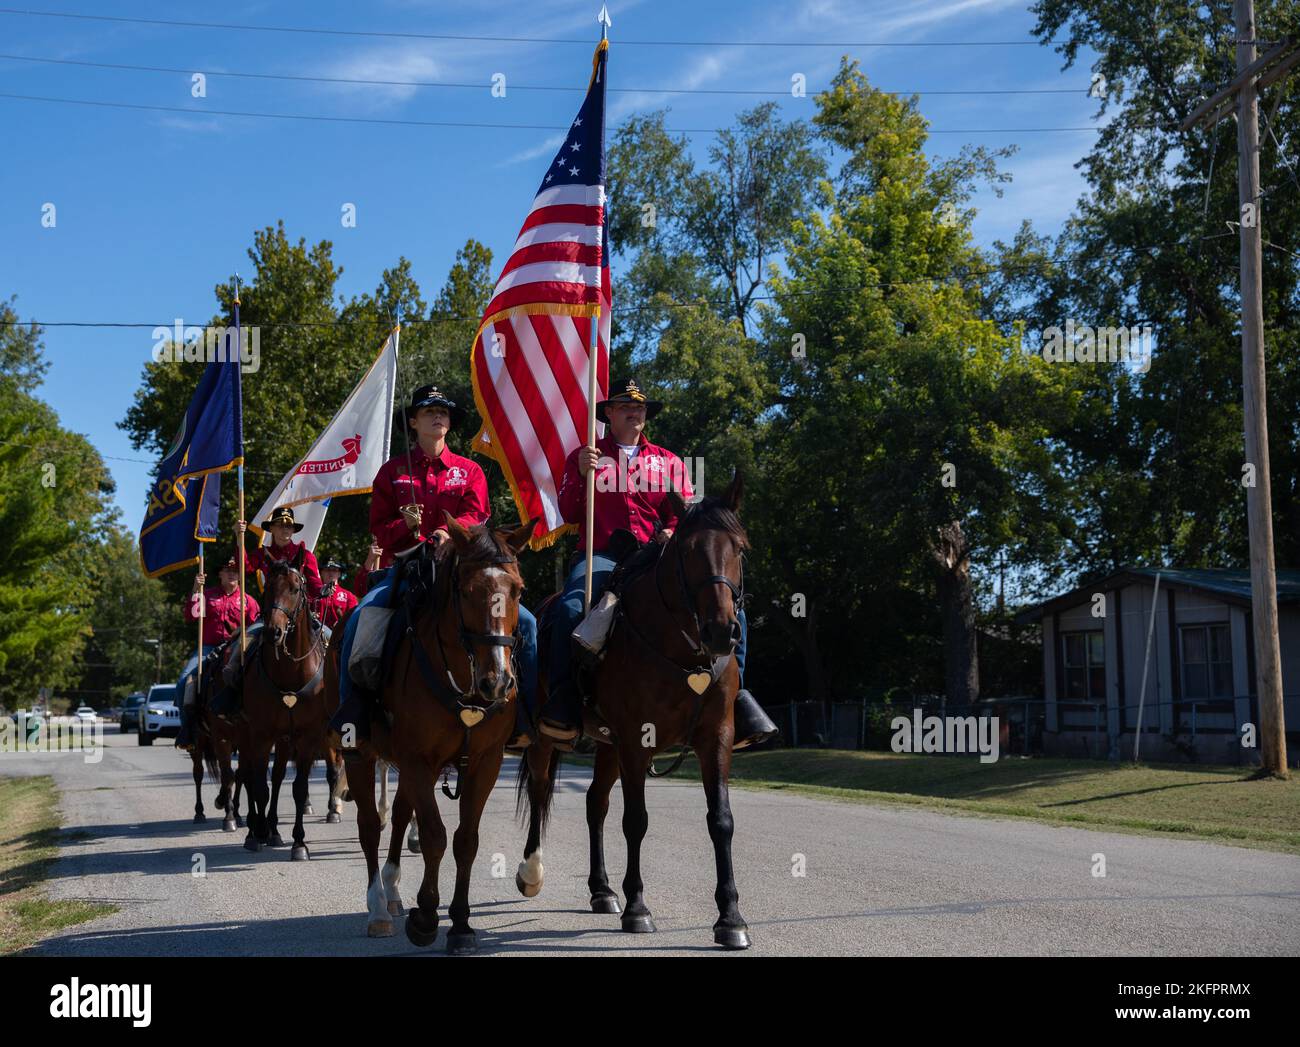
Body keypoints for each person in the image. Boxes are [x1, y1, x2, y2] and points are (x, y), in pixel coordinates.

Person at [547, 377, 777, 751]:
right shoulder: (586, 456)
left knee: (733, 610)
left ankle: (738, 700)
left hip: (657, 556)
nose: (634, 411)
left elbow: (686, 514)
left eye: (639, 407)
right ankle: (564, 701)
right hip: (603, 554)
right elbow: (570, 512)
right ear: (608, 413)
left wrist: (672, 532)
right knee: (571, 607)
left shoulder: (668, 461)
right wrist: (582, 474)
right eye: (624, 405)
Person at [329, 385, 539, 751]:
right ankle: (354, 714)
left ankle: (526, 715)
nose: (437, 416)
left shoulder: (469, 471)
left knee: (529, 623)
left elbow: (478, 516)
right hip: (407, 568)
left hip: (462, 569)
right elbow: (379, 527)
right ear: (414, 422)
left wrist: (447, 531)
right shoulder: (392, 472)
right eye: (428, 411)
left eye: (442, 411)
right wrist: (407, 528)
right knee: (362, 618)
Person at [210, 505, 322, 720]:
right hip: (269, 617)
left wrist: (324, 591)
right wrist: (239, 539)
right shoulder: (262, 554)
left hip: (301, 619)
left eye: (289, 526)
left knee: (334, 643)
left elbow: (315, 586)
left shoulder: (305, 555)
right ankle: (231, 697)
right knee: (238, 651)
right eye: (280, 526)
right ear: (272, 529)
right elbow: (244, 569)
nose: (285, 530)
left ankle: (337, 703)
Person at [174, 556, 259, 749]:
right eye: (227, 570)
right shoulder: (207, 595)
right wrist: (196, 588)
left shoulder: (249, 601)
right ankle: (188, 729)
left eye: (235, 570)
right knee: (183, 682)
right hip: (209, 648)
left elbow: (256, 627)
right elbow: (190, 616)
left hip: (237, 648)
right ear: (220, 574)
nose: (231, 573)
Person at [315, 557, 358, 631]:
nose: (331, 573)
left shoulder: (349, 596)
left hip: (338, 637)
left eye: (334, 570)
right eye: (327, 570)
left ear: (339, 574)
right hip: (313, 634)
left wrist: (342, 624)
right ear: (321, 572)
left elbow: (354, 619)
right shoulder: (312, 593)